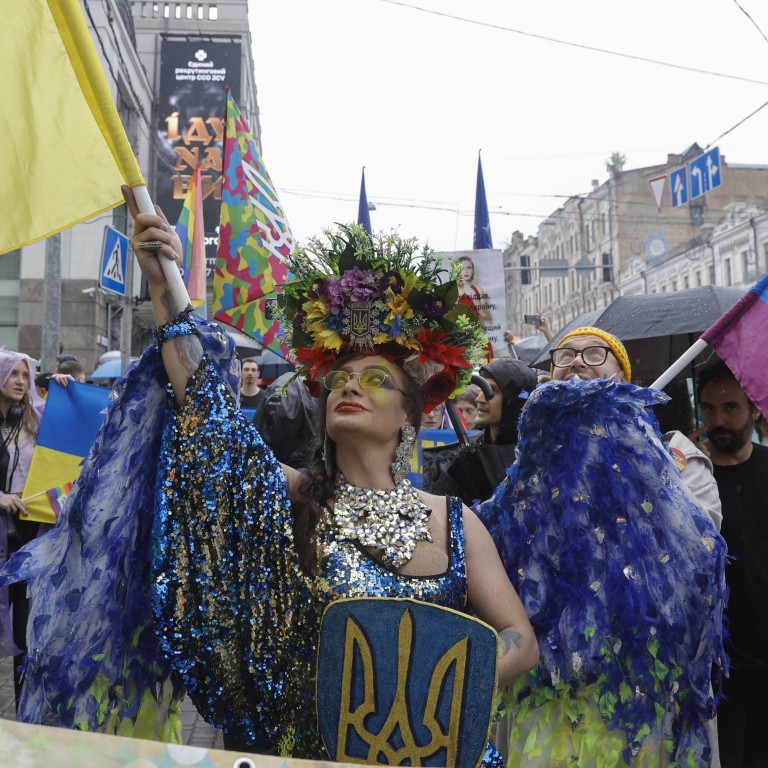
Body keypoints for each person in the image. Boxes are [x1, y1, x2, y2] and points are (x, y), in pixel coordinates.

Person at [1, 200, 539, 764]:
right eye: (341, 379)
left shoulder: (455, 521)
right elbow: (209, 409)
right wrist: (167, 286)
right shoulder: (290, 495)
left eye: (375, 378)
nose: (350, 387)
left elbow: (518, 639)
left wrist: (446, 686)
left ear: (410, 414)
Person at [478, 327, 727, 767]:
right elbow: (489, 549)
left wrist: (635, 460)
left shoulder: (673, 458)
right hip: (549, 688)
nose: (577, 361)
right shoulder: (528, 470)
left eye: (596, 354)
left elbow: (702, 541)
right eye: (565, 355)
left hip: (640, 687)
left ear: (623, 378)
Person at [697, 361, 767, 768]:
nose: (717, 420)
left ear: (754, 408)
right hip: (718, 668)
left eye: (730, 408)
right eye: (708, 409)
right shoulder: (691, 485)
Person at [0, 350, 46, 705]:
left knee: (25, 628)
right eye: (13, 374)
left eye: (26, 375)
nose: (20, 381)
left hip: (27, 537)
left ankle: (24, 715)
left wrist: (64, 387)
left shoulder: (34, 419)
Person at [456, 255, 491, 324]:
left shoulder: (478, 289)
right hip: (458, 331)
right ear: (458, 270)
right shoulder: (453, 289)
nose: (466, 271)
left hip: (475, 330)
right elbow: (450, 315)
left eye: (469, 268)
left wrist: (471, 294)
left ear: (473, 270)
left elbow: (484, 315)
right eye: (462, 268)